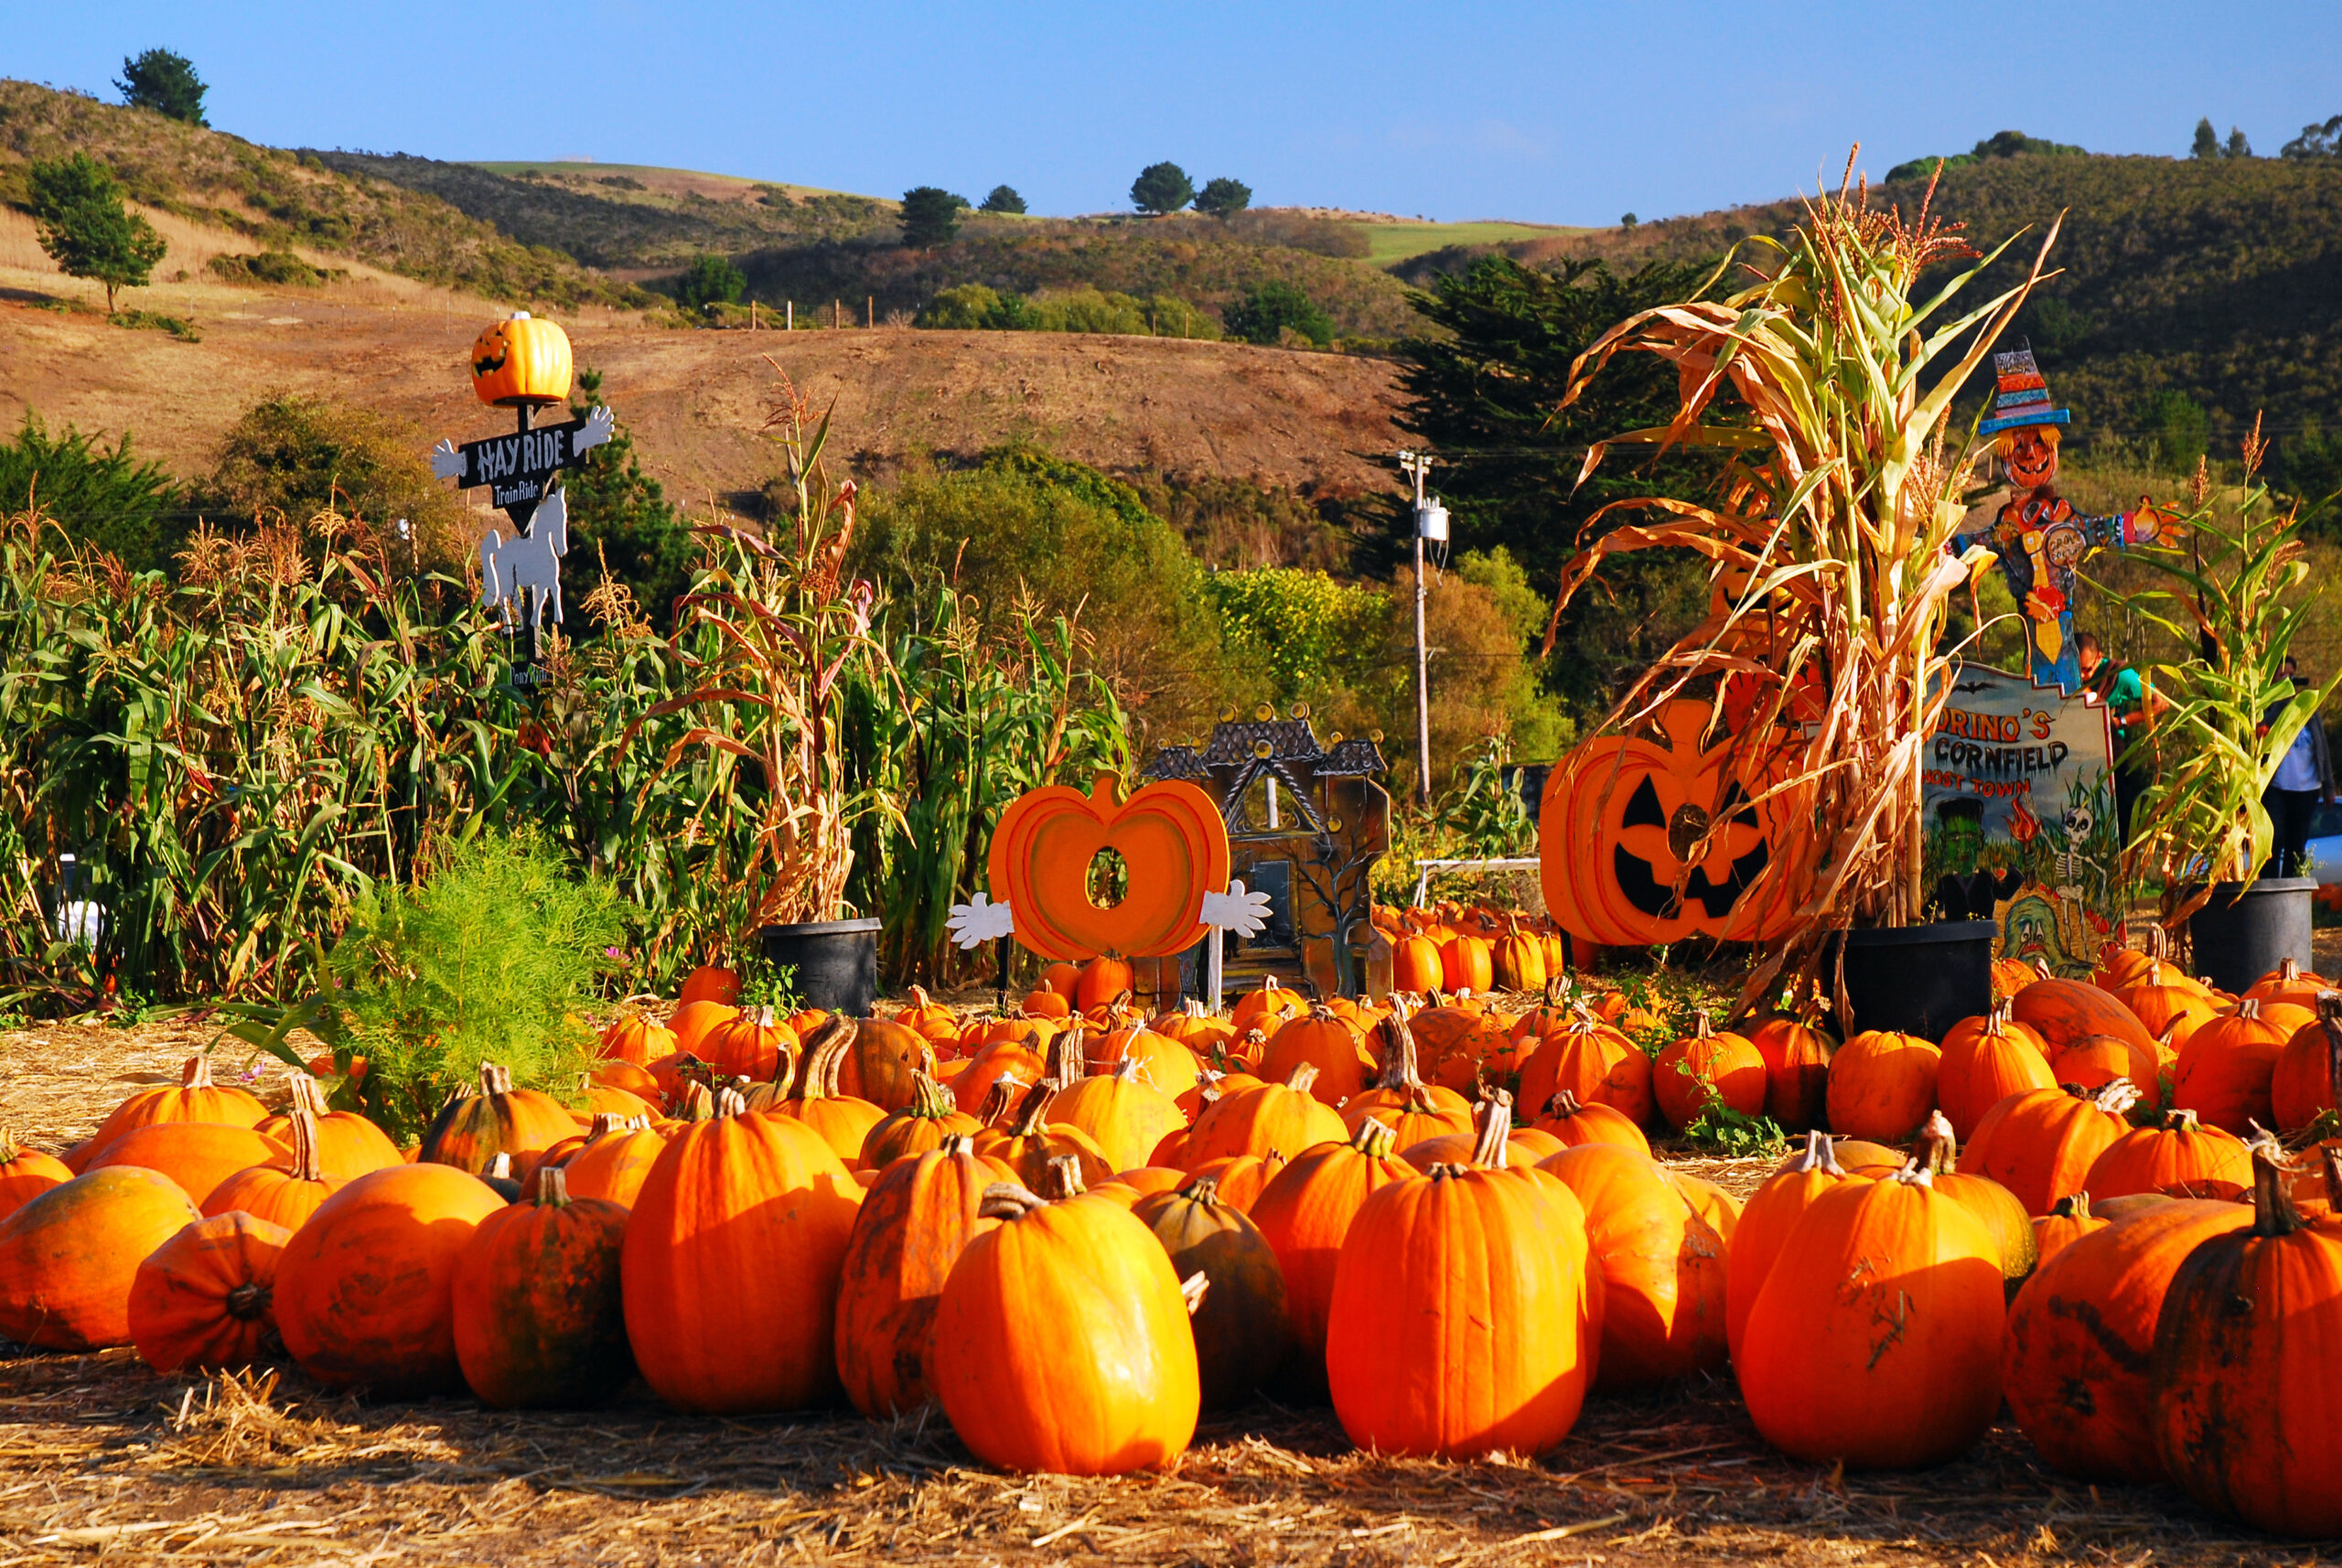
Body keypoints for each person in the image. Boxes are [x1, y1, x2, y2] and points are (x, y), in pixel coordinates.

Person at [2261, 655, 2336, 878]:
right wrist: (2281, 702)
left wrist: (2329, 786)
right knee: (2273, 840)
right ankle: (2269, 887)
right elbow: (2263, 730)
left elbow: (2321, 748)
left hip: (2306, 789)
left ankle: (2291, 890)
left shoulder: (2309, 711)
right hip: (2276, 787)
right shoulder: (2267, 707)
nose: (2287, 679)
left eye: (2290, 675)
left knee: (2297, 845)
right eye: (2282, 675)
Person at [2076, 632, 2152, 843]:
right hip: (2078, 760)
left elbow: (2159, 702)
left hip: (2112, 760)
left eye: (2087, 669)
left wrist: (2121, 722)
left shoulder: (2120, 675)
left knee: (2118, 822)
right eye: (2077, 669)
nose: (2082, 676)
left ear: (2099, 657)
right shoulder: (2063, 672)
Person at [1931, 796, 2023, 919]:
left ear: (1980, 840)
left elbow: (2005, 892)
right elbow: (1932, 908)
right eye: (1954, 838)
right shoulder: (1946, 883)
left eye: (1970, 837)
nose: (1963, 848)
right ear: (1944, 842)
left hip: (1983, 937)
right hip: (1956, 937)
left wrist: (2015, 868)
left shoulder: (1986, 878)